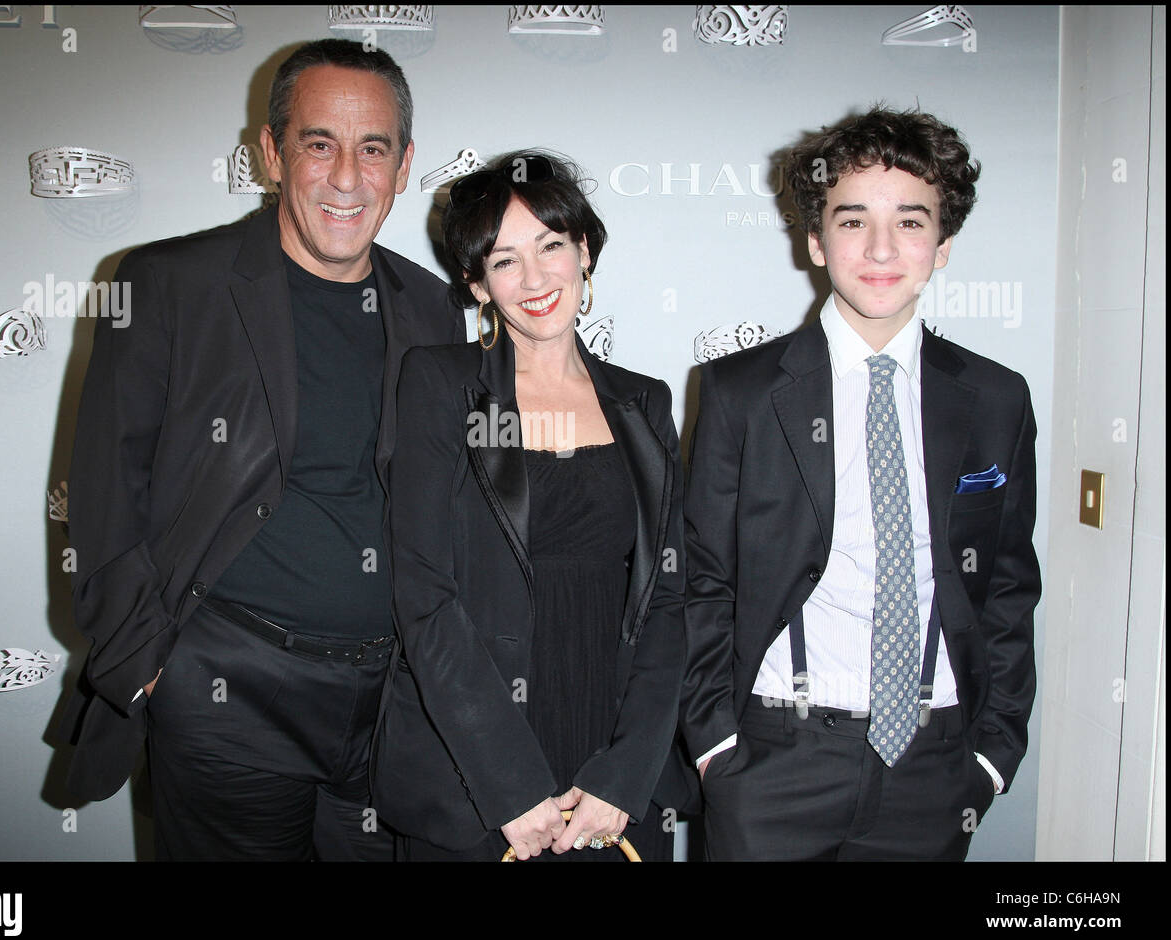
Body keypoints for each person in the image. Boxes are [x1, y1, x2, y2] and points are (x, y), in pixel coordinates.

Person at [59, 38, 465, 860]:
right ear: (272, 152)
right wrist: (149, 667)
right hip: (230, 697)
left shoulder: (429, 305)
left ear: (405, 162)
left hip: (388, 704)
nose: (347, 177)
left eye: (372, 148)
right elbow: (104, 494)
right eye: (319, 144)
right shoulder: (168, 284)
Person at [683, 107, 1041, 861]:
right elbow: (701, 580)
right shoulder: (739, 391)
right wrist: (716, 747)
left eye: (911, 222)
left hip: (936, 765)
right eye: (853, 221)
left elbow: (1007, 586)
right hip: (774, 759)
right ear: (816, 240)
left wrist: (990, 755)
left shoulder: (997, 397)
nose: (882, 248)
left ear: (943, 244)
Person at [371, 151, 686, 861]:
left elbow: (669, 600)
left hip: (611, 772)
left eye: (551, 245)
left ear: (585, 252)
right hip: (477, 772)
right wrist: (510, 786)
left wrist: (626, 774)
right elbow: (425, 596)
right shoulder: (441, 385)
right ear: (477, 284)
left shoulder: (644, 402)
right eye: (504, 260)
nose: (537, 278)